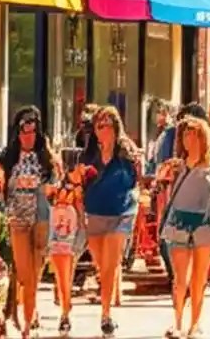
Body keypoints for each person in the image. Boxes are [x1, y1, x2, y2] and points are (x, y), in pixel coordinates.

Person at [0, 107, 57, 339]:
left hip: (40, 219)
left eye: (32, 132)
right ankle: (22, 316)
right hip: (17, 220)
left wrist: (51, 188)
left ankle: (28, 323)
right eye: (24, 131)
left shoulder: (47, 157)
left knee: (35, 275)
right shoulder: (7, 157)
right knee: (24, 273)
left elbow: (57, 183)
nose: (28, 136)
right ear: (17, 132)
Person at [159, 117, 210, 339]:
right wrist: (163, 177)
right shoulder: (178, 164)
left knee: (199, 277)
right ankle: (177, 322)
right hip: (179, 222)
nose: (189, 138)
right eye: (185, 134)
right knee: (180, 278)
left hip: (207, 223)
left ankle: (195, 323)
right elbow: (163, 192)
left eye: (193, 133)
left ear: (203, 136)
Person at [79, 105, 140, 338]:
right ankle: (106, 306)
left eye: (106, 125)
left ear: (115, 127)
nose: (101, 130)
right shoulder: (90, 155)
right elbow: (79, 180)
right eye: (98, 126)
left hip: (121, 213)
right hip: (95, 213)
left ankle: (106, 315)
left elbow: (136, 179)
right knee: (101, 264)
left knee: (110, 264)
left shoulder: (126, 152)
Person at [46, 172, 87, 336]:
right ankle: (64, 312)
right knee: (63, 277)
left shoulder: (78, 189)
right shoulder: (55, 186)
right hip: (58, 233)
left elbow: (83, 216)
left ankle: (65, 312)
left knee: (65, 277)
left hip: (70, 235)